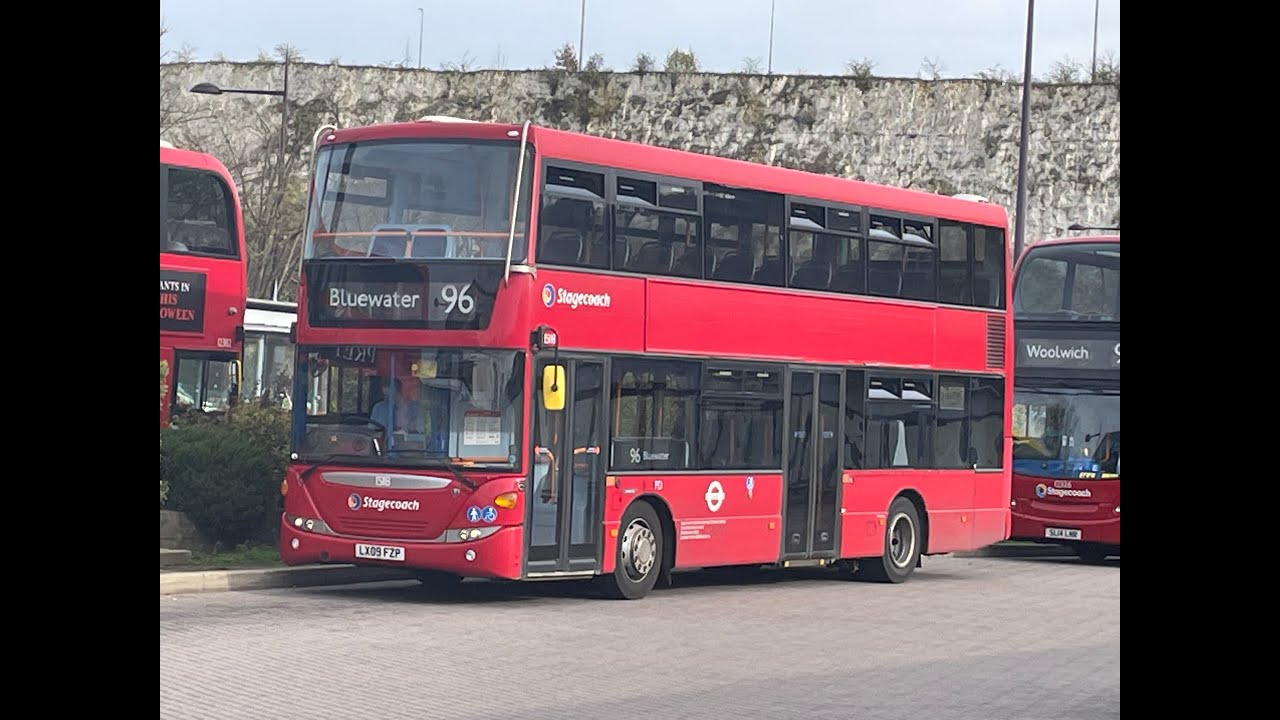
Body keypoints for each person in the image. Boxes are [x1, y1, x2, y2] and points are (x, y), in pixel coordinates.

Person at [370, 372, 427, 448]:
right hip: (382, 449)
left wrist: (406, 429)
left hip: (408, 449)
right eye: (385, 395)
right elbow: (371, 430)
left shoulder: (415, 409)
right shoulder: (378, 408)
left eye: (391, 395)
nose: (387, 399)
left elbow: (421, 430)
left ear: (399, 391)